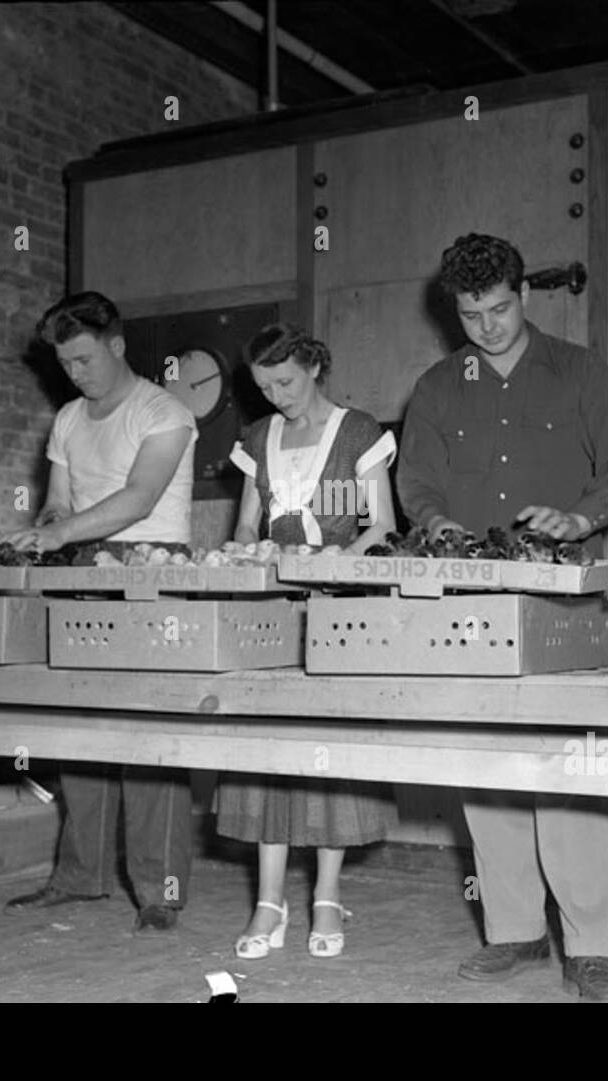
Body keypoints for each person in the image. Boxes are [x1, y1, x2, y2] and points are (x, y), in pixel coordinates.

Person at [397, 233, 608, 1001]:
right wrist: (435, 523)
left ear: (524, 295)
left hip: (561, 597)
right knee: (487, 763)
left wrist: (578, 519)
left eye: (500, 309)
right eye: (470, 314)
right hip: (473, 603)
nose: (487, 327)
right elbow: (417, 484)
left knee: (569, 764)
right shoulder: (438, 386)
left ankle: (590, 944)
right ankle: (513, 931)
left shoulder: (581, 372)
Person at [4, 291, 197, 933]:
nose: (75, 372)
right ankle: (79, 876)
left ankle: (158, 891)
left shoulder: (164, 410)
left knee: (149, 740)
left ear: (116, 345)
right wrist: (52, 524)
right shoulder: (67, 419)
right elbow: (58, 500)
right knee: (80, 728)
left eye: (84, 358)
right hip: (84, 574)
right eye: (65, 363)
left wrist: (61, 535)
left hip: (150, 578)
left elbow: (140, 498)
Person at [215, 323, 398, 959]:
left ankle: (326, 894)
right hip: (270, 616)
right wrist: (242, 561)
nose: (277, 395)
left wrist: (336, 563)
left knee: (327, 755)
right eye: (264, 386)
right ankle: (269, 903)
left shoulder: (359, 432)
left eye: (286, 381)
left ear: (314, 366)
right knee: (266, 754)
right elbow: (243, 525)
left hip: (339, 615)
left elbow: (384, 527)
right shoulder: (257, 437)